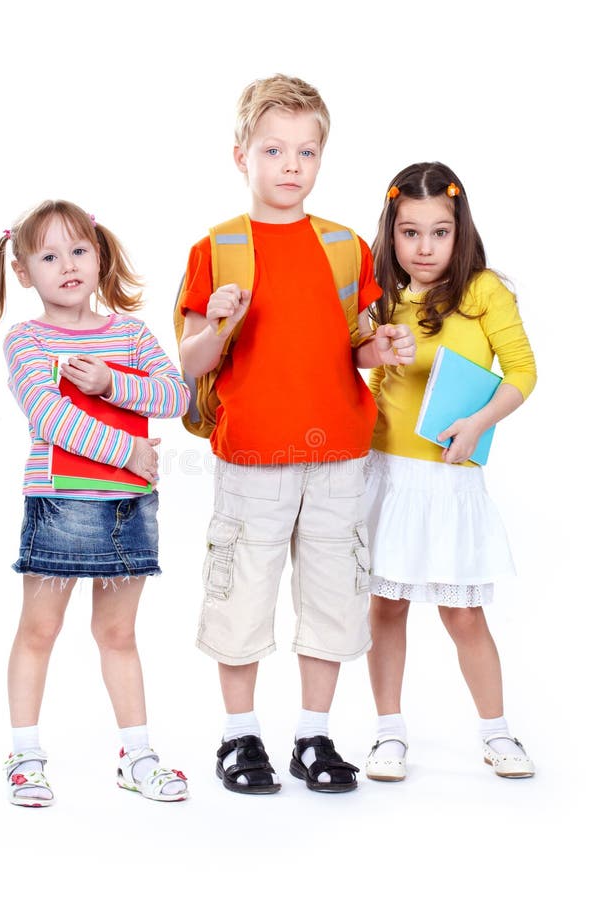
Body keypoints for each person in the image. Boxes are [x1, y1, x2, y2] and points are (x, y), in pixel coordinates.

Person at [178, 75, 415, 794]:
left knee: (333, 597)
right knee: (242, 596)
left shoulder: (345, 248)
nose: (290, 164)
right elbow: (189, 361)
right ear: (240, 155)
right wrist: (218, 320)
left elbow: (357, 344)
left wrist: (386, 349)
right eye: (274, 149)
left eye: (305, 151)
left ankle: (314, 735)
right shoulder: (217, 248)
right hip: (252, 455)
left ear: (320, 158)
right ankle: (238, 736)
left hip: (340, 454)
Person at [0, 200, 191, 806]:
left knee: (118, 633)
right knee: (40, 630)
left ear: (99, 255)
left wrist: (111, 382)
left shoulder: (130, 331)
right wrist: (127, 450)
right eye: (48, 255)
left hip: (131, 507)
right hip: (62, 505)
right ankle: (25, 753)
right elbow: (50, 414)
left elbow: (176, 395)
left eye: (78, 250)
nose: (66, 265)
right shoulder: (26, 340)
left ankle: (138, 754)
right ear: (23, 272)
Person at [363, 162, 537, 782]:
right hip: (386, 471)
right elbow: (365, 369)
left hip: (451, 471)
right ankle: (388, 733)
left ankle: (497, 733)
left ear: (461, 230)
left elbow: (522, 371)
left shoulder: (485, 290)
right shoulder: (381, 293)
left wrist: (478, 423)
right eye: (410, 232)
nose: (425, 247)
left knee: (462, 612)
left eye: (440, 232)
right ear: (392, 232)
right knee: (384, 606)